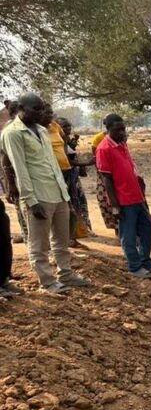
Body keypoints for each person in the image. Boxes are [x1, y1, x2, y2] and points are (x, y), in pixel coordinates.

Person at [2, 93, 90, 293]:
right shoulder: (12, 133)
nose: (41, 113)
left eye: (42, 108)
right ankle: (48, 282)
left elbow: (52, 163)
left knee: (61, 239)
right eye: (36, 109)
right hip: (37, 195)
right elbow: (19, 168)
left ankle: (65, 273)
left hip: (57, 192)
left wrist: (65, 195)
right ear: (22, 108)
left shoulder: (42, 130)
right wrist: (31, 201)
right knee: (39, 244)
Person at [96, 115, 151, 279]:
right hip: (123, 201)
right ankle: (135, 266)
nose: (122, 132)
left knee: (146, 231)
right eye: (118, 129)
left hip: (137, 197)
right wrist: (115, 206)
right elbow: (107, 180)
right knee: (128, 236)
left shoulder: (123, 144)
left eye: (123, 129)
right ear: (108, 129)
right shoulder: (104, 149)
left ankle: (146, 261)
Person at [43, 106, 84, 249]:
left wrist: (67, 158)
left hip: (66, 173)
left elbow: (64, 147)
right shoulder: (37, 131)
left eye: (50, 112)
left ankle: (69, 238)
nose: (49, 115)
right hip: (52, 175)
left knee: (71, 206)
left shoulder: (55, 127)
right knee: (58, 208)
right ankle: (62, 241)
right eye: (46, 112)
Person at [58, 117, 93, 236]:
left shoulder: (67, 140)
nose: (67, 128)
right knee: (71, 203)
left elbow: (73, 157)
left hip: (73, 176)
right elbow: (68, 161)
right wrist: (86, 163)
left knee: (79, 201)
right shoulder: (59, 142)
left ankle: (83, 229)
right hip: (66, 177)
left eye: (68, 126)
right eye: (64, 126)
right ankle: (73, 233)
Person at [0, 100, 27, 243]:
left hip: (25, 177)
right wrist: (10, 185)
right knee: (22, 211)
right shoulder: (10, 129)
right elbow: (5, 160)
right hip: (16, 178)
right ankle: (29, 240)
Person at [91, 114, 121, 234]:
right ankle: (116, 229)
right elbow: (95, 155)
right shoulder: (99, 139)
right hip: (105, 173)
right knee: (107, 200)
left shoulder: (121, 137)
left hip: (118, 173)